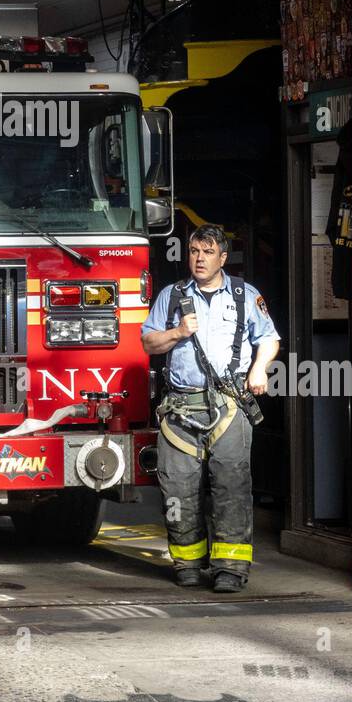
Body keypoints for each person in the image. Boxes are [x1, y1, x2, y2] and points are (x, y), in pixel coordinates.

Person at [141, 224, 280, 593]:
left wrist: (258, 369)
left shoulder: (245, 295)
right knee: (177, 489)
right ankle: (187, 564)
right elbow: (148, 343)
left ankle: (230, 569)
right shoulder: (171, 297)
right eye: (194, 251)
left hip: (229, 406)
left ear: (223, 257)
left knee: (232, 486)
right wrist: (177, 334)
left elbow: (268, 339)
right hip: (180, 408)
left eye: (207, 252)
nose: (199, 258)